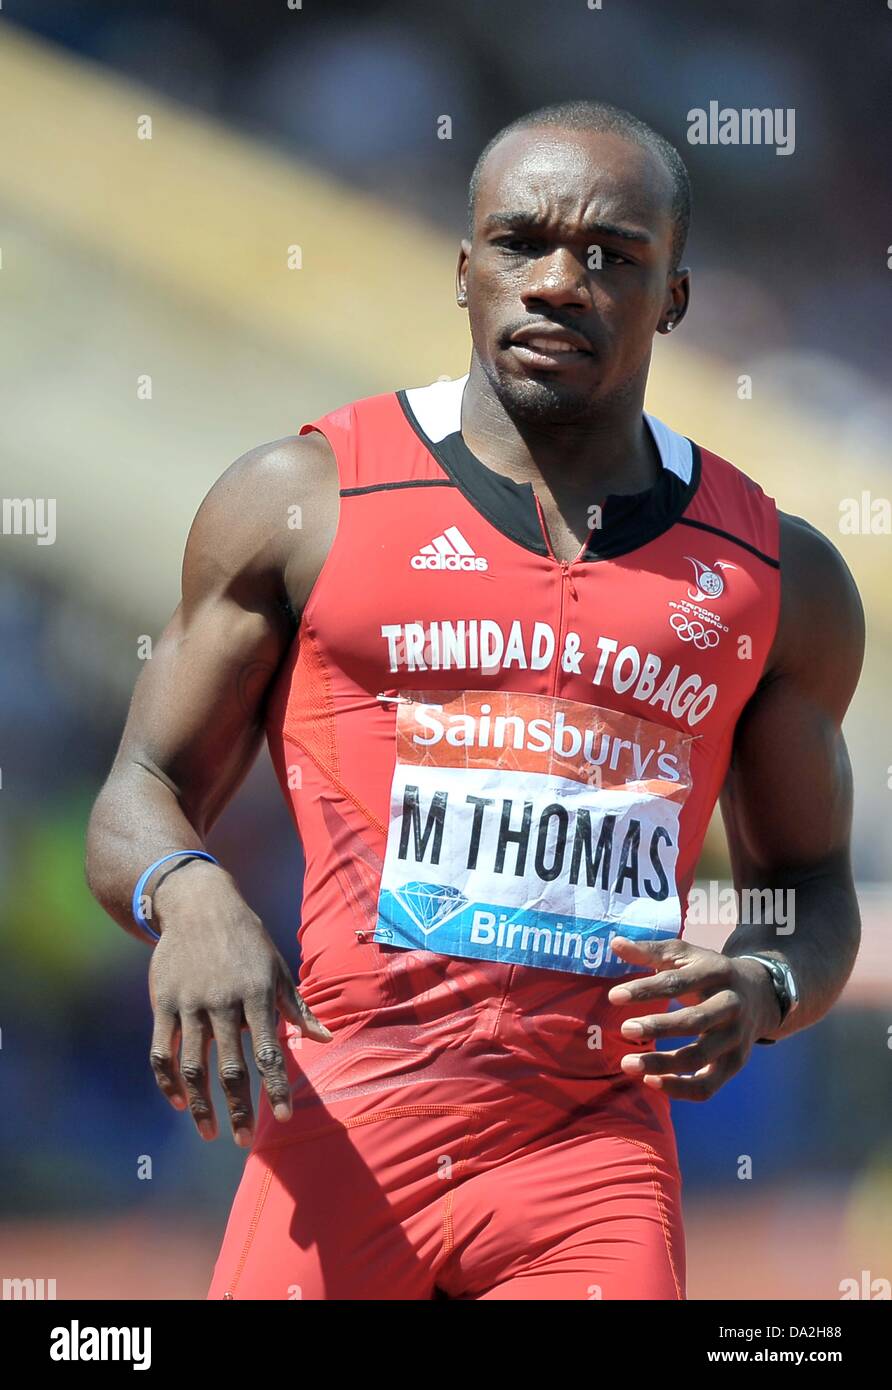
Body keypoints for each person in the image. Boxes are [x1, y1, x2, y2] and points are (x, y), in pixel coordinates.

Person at [85, 100, 864, 1300]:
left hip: (589, 1154)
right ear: (462, 272)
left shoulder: (775, 575)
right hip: (343, 1120)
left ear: (674, 298)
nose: (559, 280)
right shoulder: (301, 502)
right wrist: (186, 898)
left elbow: (810, 888)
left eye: (611, 254)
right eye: (520, 243)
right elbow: (137, 792)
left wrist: (761, 987)